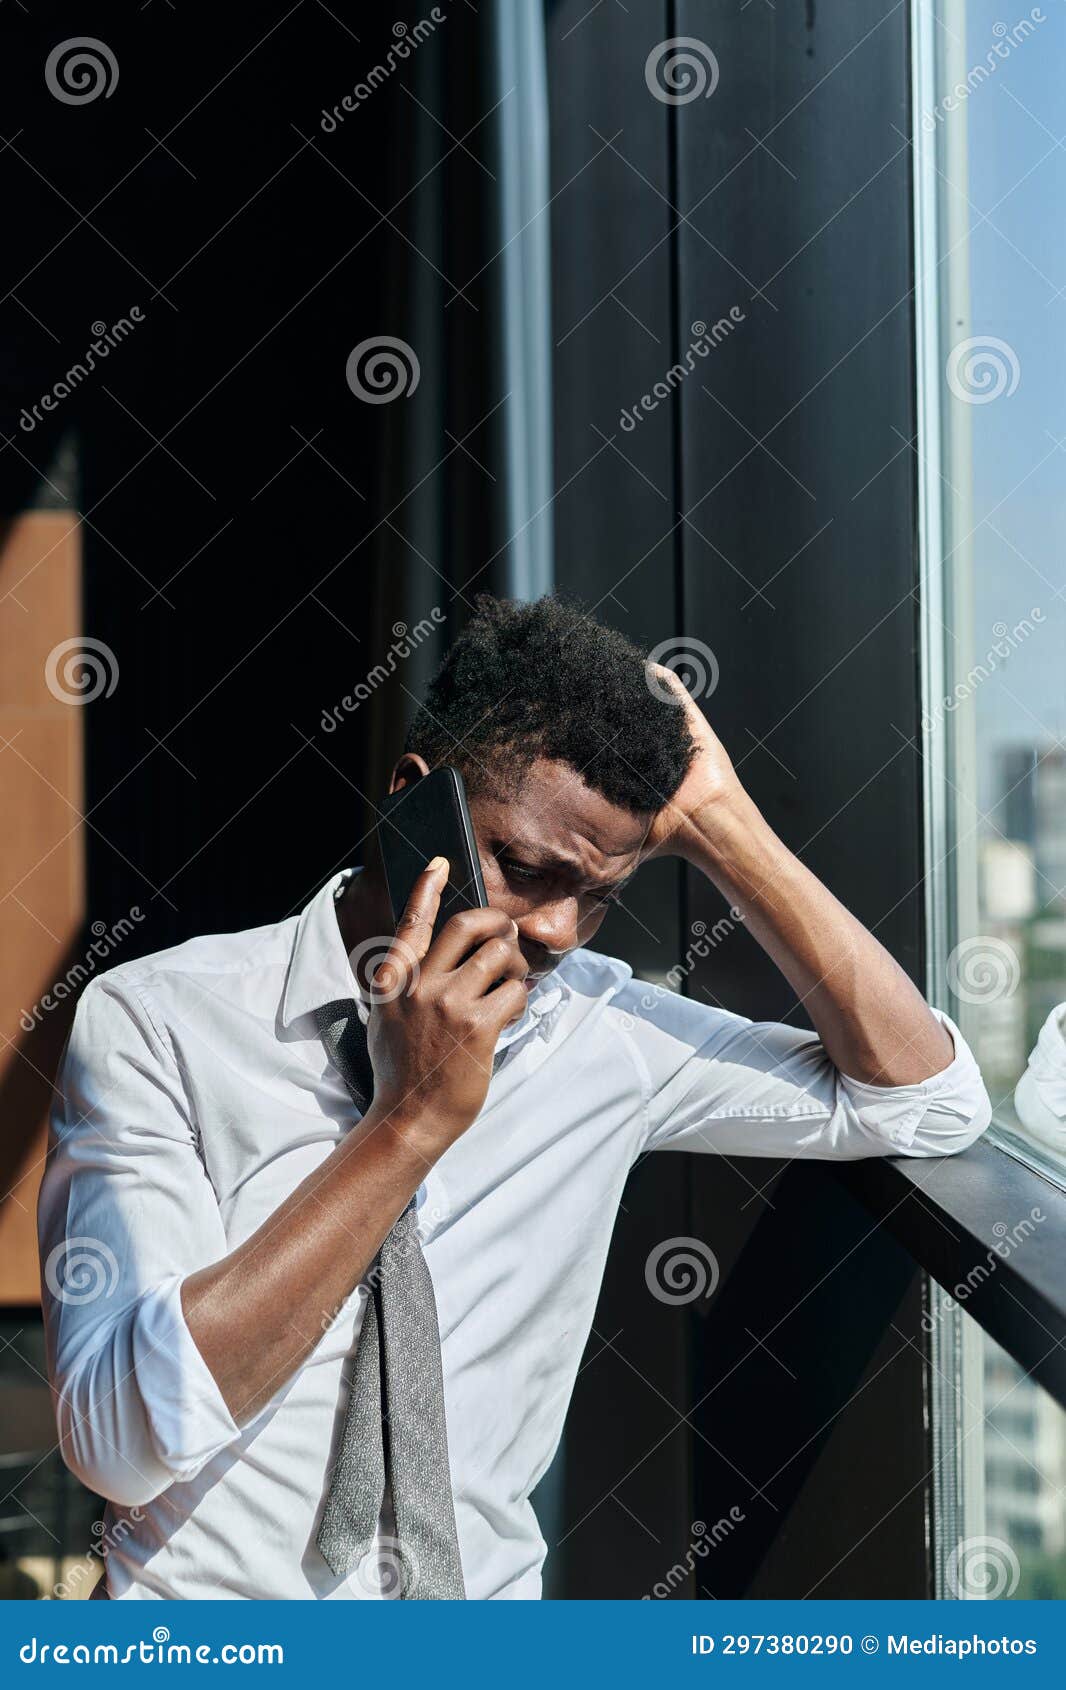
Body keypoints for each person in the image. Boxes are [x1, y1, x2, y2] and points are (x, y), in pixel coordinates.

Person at [39, 595, 990, 1600]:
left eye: (601, 895)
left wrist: (723, 827)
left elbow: (924, 1102)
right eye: (528, 869)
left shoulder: (598, 1030)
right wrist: (407, 1124)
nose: (558, 932)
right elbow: (117, 1445)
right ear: (413, 799)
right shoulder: (161, 1020)